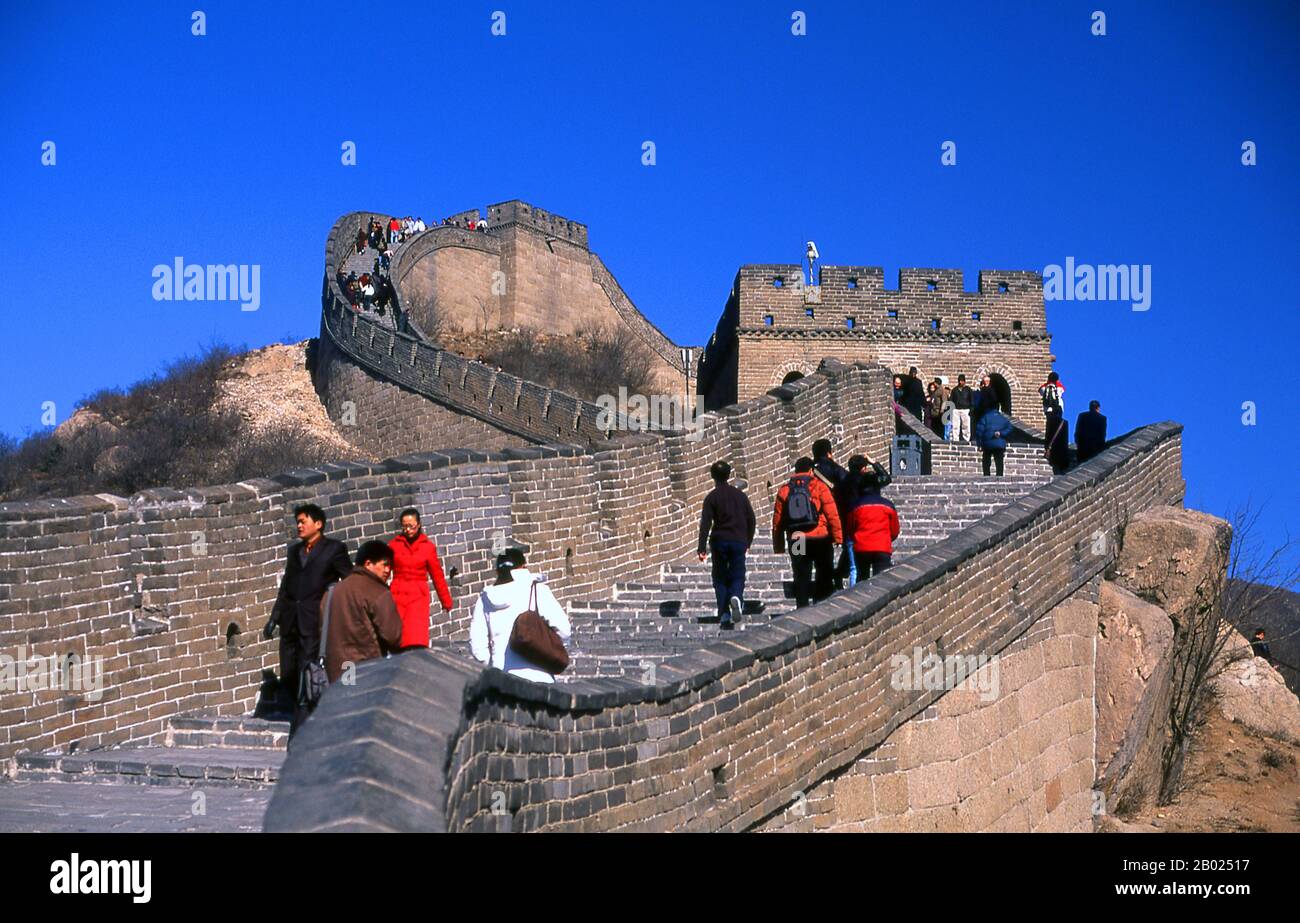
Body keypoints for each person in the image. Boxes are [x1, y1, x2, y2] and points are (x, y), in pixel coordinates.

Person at [264, 504, 352, 736]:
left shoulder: (334, 550)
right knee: (289, 672)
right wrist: (274, 617)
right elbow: (286, 587)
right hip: (290, 621)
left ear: (318, 524)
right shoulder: (295, 552)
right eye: (298, 522)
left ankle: (303, 724)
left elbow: (350, 582)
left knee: (308, 670)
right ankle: (304, 709)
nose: (299, 526)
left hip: (315, 622)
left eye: (303, 521)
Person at [469, 549, 572, 683]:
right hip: (540, 675)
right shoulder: (537, 590)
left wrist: (495, 664)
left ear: (497, 572)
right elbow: (564, 630)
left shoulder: (485, 599)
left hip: (503, 681)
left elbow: (477, 647)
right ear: (523, 567)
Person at [323, 541, 404, 685]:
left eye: (390, 566)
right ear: (368, 564)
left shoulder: (332, 593)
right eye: (384, 564)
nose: (388, 570)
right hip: (367, 670)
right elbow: (393, 636)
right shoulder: (377, 592)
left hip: (336, 672)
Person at [772, 457, 841, 609]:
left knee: (801, 574)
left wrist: (778, 546)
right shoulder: (819, 486)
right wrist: (838, 537)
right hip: (820, 537)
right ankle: (822, 604)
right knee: (824, 572)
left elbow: (777, 521)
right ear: (811, 470)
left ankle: (802, 607)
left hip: (797, 538)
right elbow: (832, 513)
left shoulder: (784, 489)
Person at [696, 461, 756, 629]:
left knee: (720, 577)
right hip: (738, 540)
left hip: (719, 541)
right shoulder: (740, 496)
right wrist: (748, 541)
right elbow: (751, 519)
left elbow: (705, 524)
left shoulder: (711, 497)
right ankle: (736, 596)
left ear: (712, 476)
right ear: (729, 475)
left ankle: (724, 613)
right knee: (737, 574)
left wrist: (701, 548)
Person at [387, 508, 455, 651]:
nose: (408, 530)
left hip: (418, 597)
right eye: (404, 526)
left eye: (411, 526)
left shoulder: (428, 547)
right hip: (397, 595)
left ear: (418, 525)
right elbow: (385, 570)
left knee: (415, 639)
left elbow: (437, 575)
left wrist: (446, 601)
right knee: (397, 639)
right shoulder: (394, 545)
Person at [844, 459, 900, 581]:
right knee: (882, 580)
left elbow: (850, 528)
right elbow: (895, 530)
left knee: (861, 578)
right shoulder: (888, 506)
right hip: (882, 547)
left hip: (861, 547)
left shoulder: (855, 506)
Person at [812, 438, 853, 590]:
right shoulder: (835, 469)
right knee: (842, 547)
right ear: (829, 453)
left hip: (801, 530)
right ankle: (833, 578)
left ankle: (803, 590)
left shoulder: (807, 469)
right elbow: (849, 485)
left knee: (802, 561)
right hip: (830, 519)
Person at [975, 408, 1012, 476]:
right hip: (999, 443)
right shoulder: (1003, 418)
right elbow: (1009, 428)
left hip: (987, 443)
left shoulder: (985, 417)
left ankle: (986, 475)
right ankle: (999, 475)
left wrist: (979, 444)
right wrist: (1001, 433)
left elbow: (979, 431)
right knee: (999, 461)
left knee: (986, 460)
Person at [950, 374, 973, 443]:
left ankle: (966, 439)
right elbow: (951, 399)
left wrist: (971, 409)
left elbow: (971, 399)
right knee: (955, 425)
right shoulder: (954, 390)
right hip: (956, 409)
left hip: (965, 409)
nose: (961, 382)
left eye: (962, 381)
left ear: (964, 381)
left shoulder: (968, 390)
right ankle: (955, 439)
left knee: (966, 425)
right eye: (960, 381)